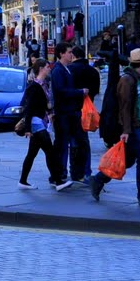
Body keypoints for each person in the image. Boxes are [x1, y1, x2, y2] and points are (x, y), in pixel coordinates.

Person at [90, 48, 140, 205]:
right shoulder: (127, 80)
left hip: (136, 125)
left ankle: (98, 180)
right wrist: (126, 130)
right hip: (131, 128)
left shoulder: (137, 78)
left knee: (127, 160)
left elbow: (139, 105)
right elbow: (125, 107)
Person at [49, 43, 89, 189]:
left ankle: (71, 173)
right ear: (61, 54)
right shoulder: (58, 70)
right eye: (68, 52)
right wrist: (79, 92)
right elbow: (61, 91)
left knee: (74, 143)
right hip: (63, 113)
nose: (71, 54)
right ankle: (58, 175)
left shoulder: (66, 69)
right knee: (62, 145)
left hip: (70, 113)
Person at [18, 59, 52, 190]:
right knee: (50, 151)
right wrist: (27, 128)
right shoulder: (34, 86)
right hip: (36, 123)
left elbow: (45, 103)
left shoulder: (44, 84)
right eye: (47, 67)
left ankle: (23, 181)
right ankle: (58, 180)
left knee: (32, 154)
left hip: (42, 121)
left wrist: (50, 111)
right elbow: (28, 108)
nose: (49, 69)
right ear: (41, 69)